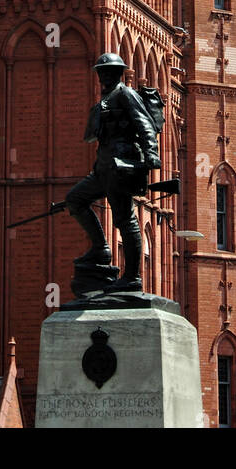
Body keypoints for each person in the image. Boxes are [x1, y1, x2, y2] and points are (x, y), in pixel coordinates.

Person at [65, 52, 161, 292]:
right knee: (75, 199)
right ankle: (100, 248)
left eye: (108, 72)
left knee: (125, 219)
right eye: (101, 72)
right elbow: (90, 135)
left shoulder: (125, 94)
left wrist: (151, 154)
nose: (104, 76)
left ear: (118, 73)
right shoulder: (105, 100)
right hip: (104, 167)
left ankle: (132, 277)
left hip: (121, 166)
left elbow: (145, 124)